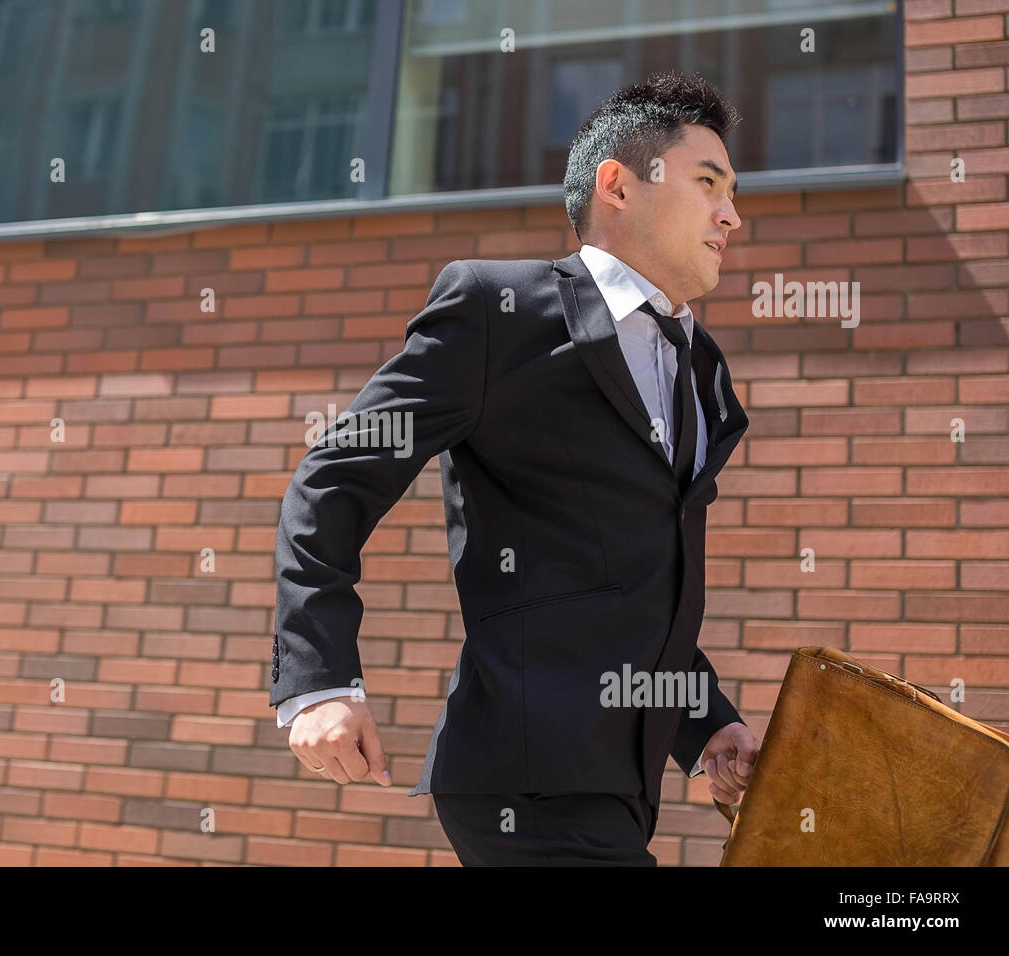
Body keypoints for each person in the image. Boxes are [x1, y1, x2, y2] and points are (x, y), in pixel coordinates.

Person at [270, 71, 761, 865]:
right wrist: (320, 680)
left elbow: (634, 589)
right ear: (618, 186)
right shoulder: (499, 310)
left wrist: (706, 727)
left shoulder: (701, 366)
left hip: (620, 792)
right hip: (520, 782)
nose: (731, 215)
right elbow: (338, 471)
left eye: (732, 192)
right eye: (709, 183)